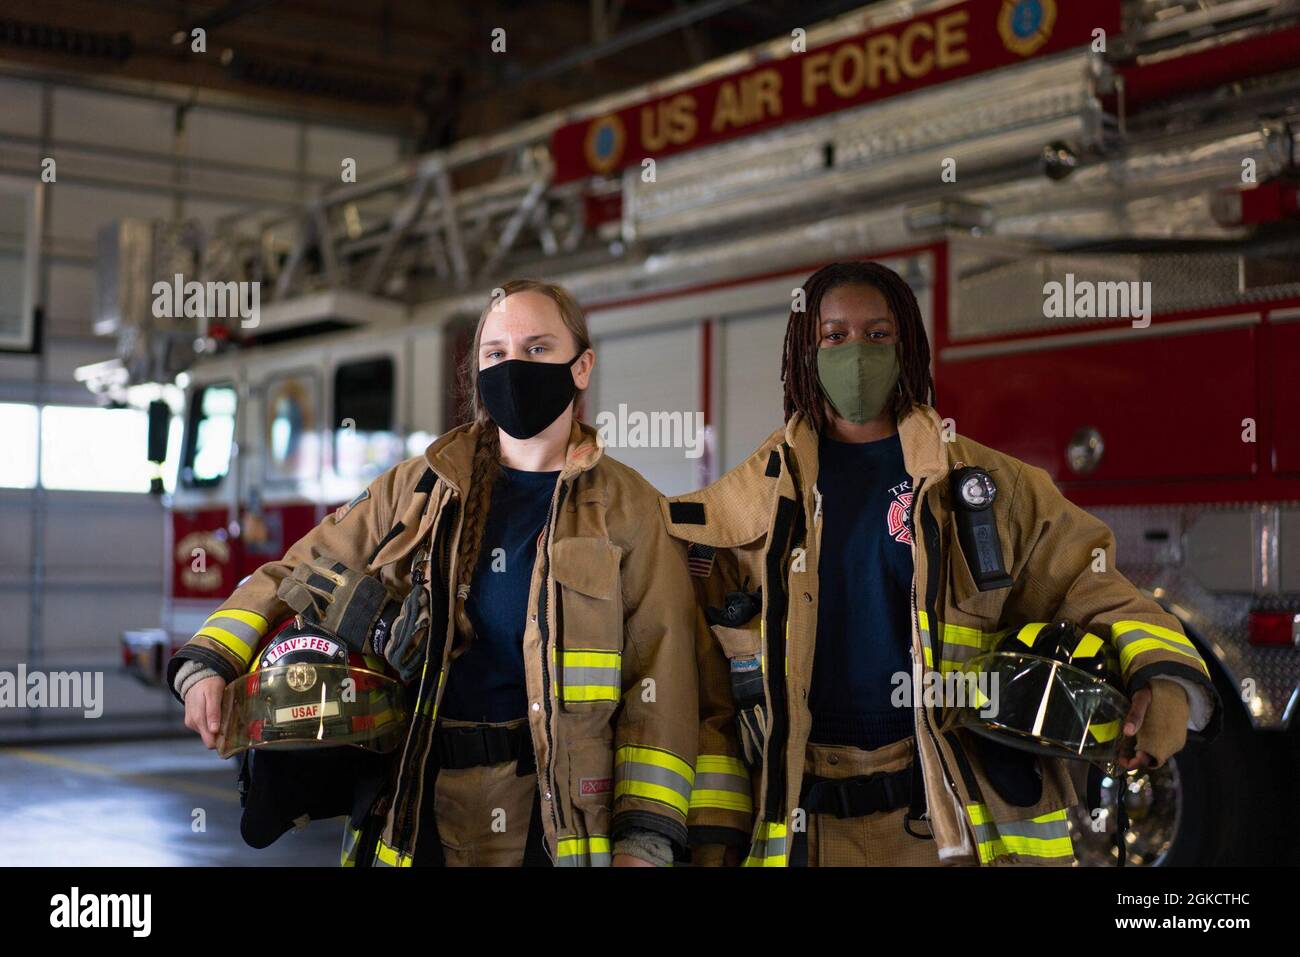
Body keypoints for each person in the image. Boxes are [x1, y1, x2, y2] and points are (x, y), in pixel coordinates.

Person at [663, 261, 1220, 867]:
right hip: (802, 829)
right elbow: (705, 698)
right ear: (805, 350)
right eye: (835, 336)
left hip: (941, 824)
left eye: (878, 334)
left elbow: (1093, 584)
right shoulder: (740, 510)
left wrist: (1162, 677)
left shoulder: (993, 488)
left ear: (908, 346)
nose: (857, 353)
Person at [169, 279, 702, 867]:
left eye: (538, 348)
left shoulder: (632, 511)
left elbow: (664, 680)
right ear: (476, 370)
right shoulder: (416, 488)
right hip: (415, 800)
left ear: (582, 366)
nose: (514, 367)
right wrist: (207, 662)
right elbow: (295, 570)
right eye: (495, 353)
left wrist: (645, 840)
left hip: (555, 818)